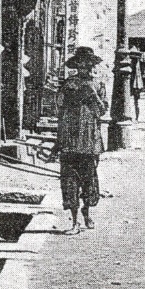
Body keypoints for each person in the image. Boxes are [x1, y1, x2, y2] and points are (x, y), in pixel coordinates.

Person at [55, 47, 106, 235]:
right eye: (81, 64)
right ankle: (75, 221)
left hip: (89, 140)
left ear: (92, 65)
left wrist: (91, 94)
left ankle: (86, 211)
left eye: (88, 64)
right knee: (69, 181)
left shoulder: (98, 85)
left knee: (89, 180)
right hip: (69, 138)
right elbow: (59, 109)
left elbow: (101, 111)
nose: (84, 68)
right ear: (76, 66)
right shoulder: (68, 85)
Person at [128, 46, 145, 121]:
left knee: (136, 101)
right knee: (130, 101)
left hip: (136, 84)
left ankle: (136, 117)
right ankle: (130, 116)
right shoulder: (128, 62)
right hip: (130, 83)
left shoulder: (140, 63)